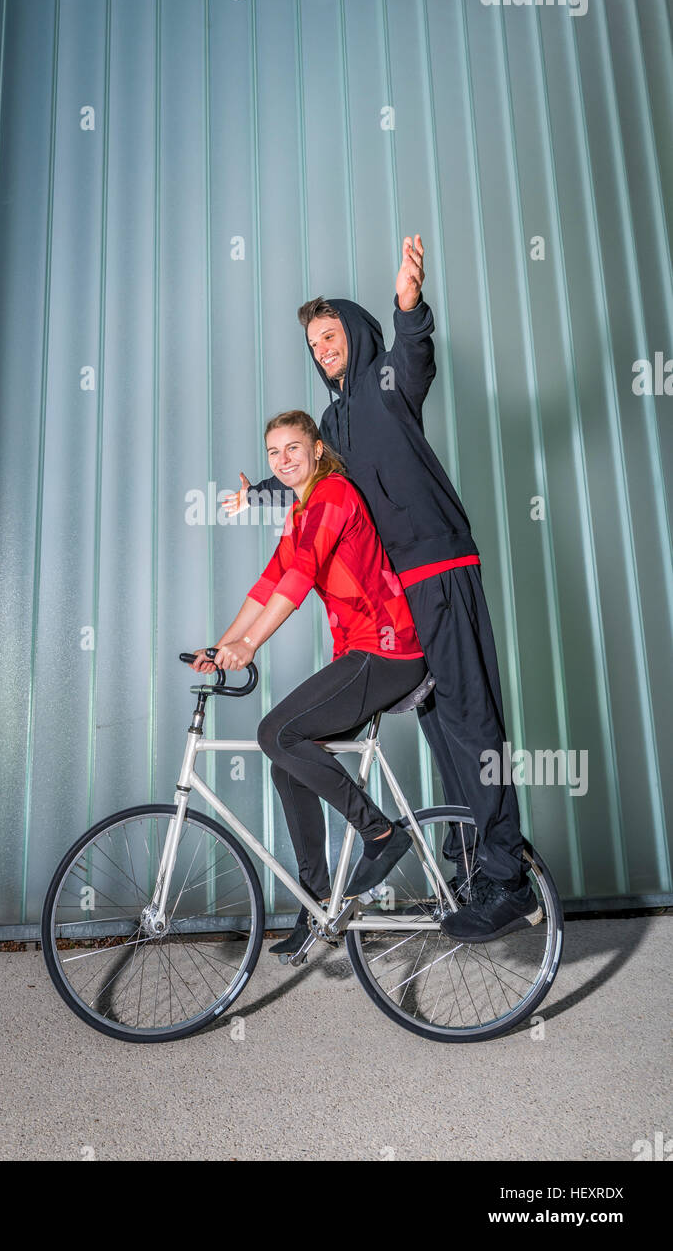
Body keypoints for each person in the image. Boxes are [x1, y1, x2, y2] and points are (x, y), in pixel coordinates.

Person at [221, 237, 536, 943]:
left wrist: (407, 303)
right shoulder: (332, 423)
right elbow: (323, 481)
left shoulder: (386, 385)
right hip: (404, 595)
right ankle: (469, 865)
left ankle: (506, 876)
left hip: (440, 572)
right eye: (313, 343)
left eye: (331, 335)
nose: (323, 349)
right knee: (441, 730)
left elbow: (413, 354)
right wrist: (263, 494)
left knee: (472, 722)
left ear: (355, 336)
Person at [193, 410, 430, 957]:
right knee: (287, 762)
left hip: (388, 649)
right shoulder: (300, 511)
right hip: (362, 652)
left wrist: (249, 647)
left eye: (293, 448)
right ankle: (317, 899)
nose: (284, 460)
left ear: (317, 449)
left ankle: (380, 832)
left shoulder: (335, 494)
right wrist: (221, 643)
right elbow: (269, 582)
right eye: (274, 453)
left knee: (276, 733)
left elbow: (298, 582)